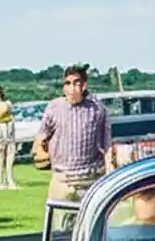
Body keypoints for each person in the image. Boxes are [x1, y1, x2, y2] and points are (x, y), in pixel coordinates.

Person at [34, 65, 111, 228]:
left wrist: (110, 178)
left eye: (76, 83)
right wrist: (40, 152)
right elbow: (41, 135)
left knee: (90, 232)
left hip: (89, 182)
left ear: (84, 86)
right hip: (62, 181)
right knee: (60, 233)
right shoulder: (54, 107)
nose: (71, 88)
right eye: (67, 83)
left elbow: (107, 147)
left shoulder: (98, 110)